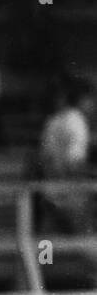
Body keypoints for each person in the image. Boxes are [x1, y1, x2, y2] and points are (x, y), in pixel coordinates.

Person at [37, 81, 94, 236]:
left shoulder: (53, 120)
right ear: (83, 99)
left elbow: (44, 158)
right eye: (91, 100)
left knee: (46, 240)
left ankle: (45, 261)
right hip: (71, 195)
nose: (93, 105)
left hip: (49, 191)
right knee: (85, 238)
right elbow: (74, 163)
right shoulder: (77, 122)